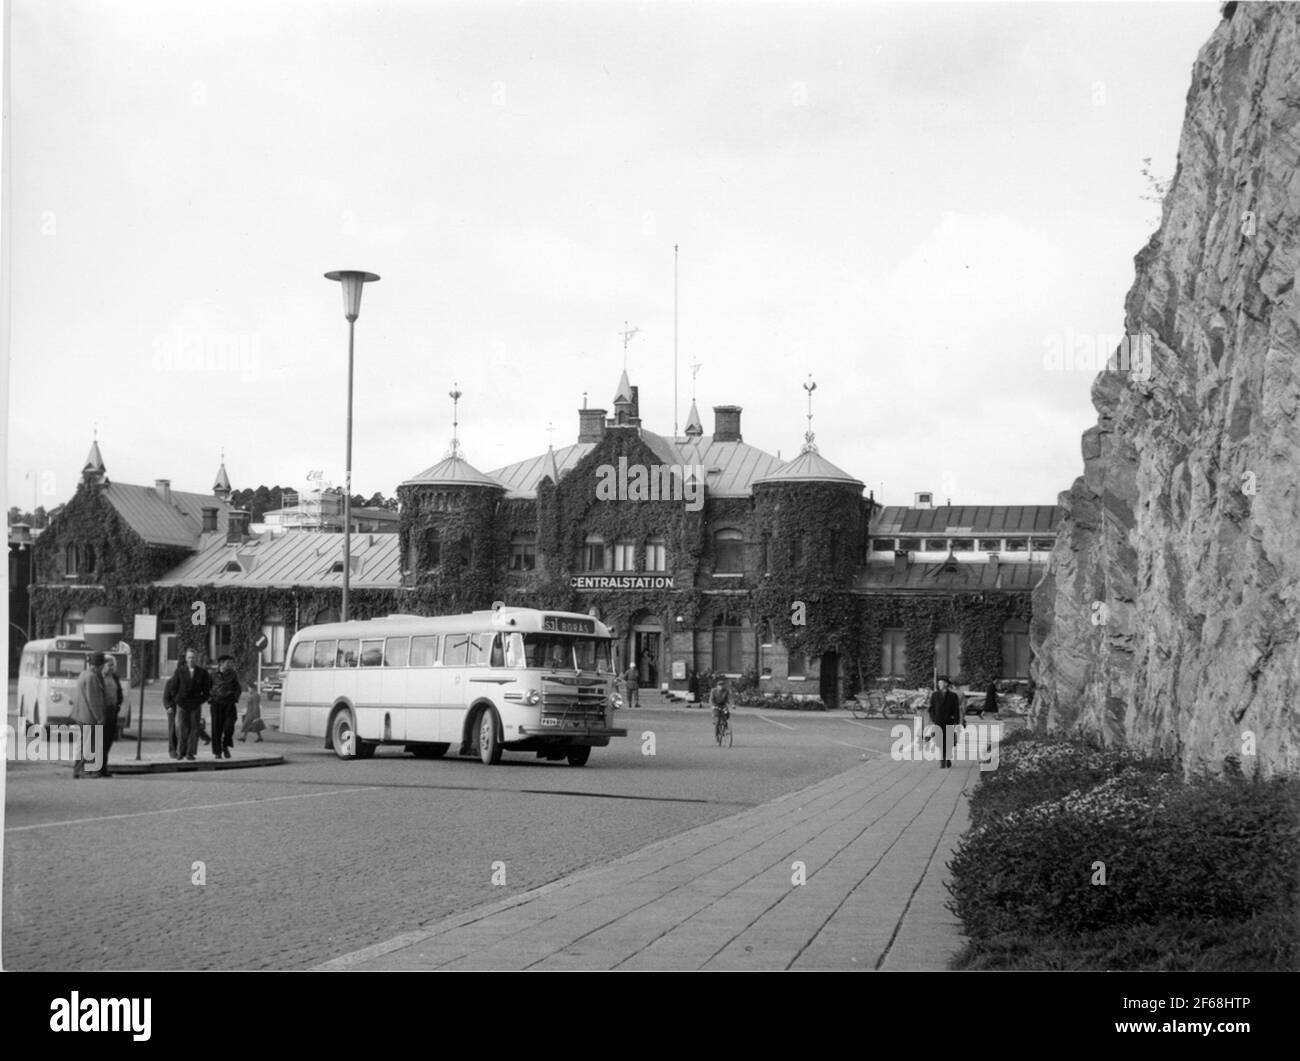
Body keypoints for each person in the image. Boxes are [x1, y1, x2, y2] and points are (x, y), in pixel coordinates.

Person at [164, 648, 212, 762]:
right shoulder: (180, 671)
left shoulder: (202, 672)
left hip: (195, 705)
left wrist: (200, 701)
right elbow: (173, 688)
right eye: (189, 657)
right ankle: (181, 752)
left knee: (194, 729)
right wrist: (177, 699)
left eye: (193, 657)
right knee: (181, 729)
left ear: (197, 659)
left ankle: (190, 753)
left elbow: (206, 690)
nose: (191, 660)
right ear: (186, 659)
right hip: (182, 704)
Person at [70, 652, 107, 780]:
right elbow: (94, 700)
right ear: (99, 665)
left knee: (82, 744)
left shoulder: (83, 674)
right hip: (88, 717)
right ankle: (85, 771)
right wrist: (100, 717)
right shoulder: (91, 677)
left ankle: (77, 770)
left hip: (81, 715)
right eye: (103, 664)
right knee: (89, 745)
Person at [928, 676, 964, 768]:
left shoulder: (953, 696)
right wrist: (934, 718)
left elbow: (956, 709)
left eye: (941, 682)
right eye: (939, 682)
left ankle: (947, 758)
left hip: (949, 721)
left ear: (946, 684)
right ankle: (942, 759)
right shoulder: (935, 695)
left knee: (948, 741)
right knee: (940, 741)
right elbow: (931, 708)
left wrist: (956, 721)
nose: (939, 684)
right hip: (938, 721)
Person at [208, 655, 241, 759]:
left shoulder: (233, 675)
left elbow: (238, 688)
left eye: (231, 663)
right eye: (228, 663)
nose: (230, 665)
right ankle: (217, 752)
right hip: (216, 704)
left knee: (229, 727)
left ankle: (225, 745)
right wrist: (210, 699)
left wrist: (234, 698)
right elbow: (206, 688)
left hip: (229, 705)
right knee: (216, 729)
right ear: (221, 663)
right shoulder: (212, 675)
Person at [98, 654, 124, 778]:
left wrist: (118, 705)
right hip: (102, 712)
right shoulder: (98, 678)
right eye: (109, 665)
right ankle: (99, 768)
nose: (112, 668)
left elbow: (119, 692)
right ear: (103, 665)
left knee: (108, 741)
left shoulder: (114, 677)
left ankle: (104, 767)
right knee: (100, 742)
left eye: (113, 665)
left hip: (112, 712)